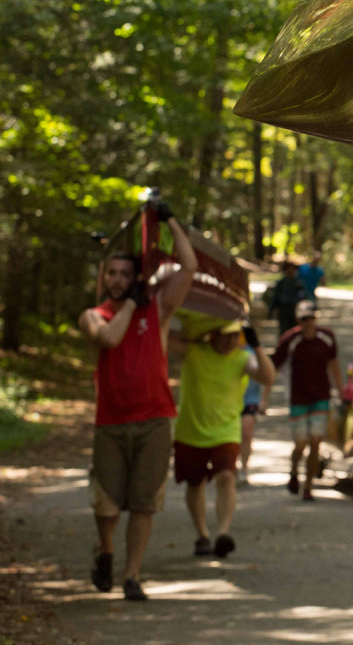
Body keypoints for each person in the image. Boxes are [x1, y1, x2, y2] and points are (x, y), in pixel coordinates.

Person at [78, 197, 197, 602]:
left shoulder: (158, 310)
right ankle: (106, 551)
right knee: (107, 505)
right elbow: (110, 339)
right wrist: (131, 302)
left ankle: (132, 575)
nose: (117, 279)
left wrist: (170, 219)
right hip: (110, 422)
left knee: (145, 504)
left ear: (137, 275)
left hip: (154, 418)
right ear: (104, 277)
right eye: (111, 273)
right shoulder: (94, 315)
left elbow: (189, 266)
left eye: (125, 273)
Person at [173, 321, 275, 558]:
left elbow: (267, 377)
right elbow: (166, 336)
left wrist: (257, 346)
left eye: (235, 336)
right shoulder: (194, 350)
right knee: (195, 483)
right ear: (213, 334)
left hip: (226, 430)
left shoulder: (243, 358)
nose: (231, 341)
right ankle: (202, 535)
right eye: (226, 336)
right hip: (191, 429)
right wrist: (193, 331)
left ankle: (222, 533)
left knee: (227, 476)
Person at [272, 299, 341, 501]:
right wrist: (265, 394)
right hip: (298, 398)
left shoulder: (326, 337)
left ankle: (308, 486)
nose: (308, 323)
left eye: (310, 318)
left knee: (316, 441)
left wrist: (342, 391)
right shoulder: (290, 340)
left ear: (316, 318)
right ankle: (294, 471)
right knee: (301, 443)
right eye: (304, 319)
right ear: (298, 320)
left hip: (321, 397)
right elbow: (274, 366)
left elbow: (334, 365)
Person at [239, 371, 265, 486]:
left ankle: (243, 468)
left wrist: (264, 399)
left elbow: (268, 377)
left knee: (246, 433)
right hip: (227, 400)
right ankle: (230, 467)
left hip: (251, 399)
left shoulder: (255, 356)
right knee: (232, 436)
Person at [268, 260, 306, 336]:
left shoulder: (298, 283)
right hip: (283, 310)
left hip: (294, 310)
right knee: (284, 331)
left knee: (295, 331)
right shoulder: (281, 283)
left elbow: (303, 297)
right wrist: (271, 310)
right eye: (289, 270)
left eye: (293, 270)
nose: (291, 272)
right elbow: (275, 297)